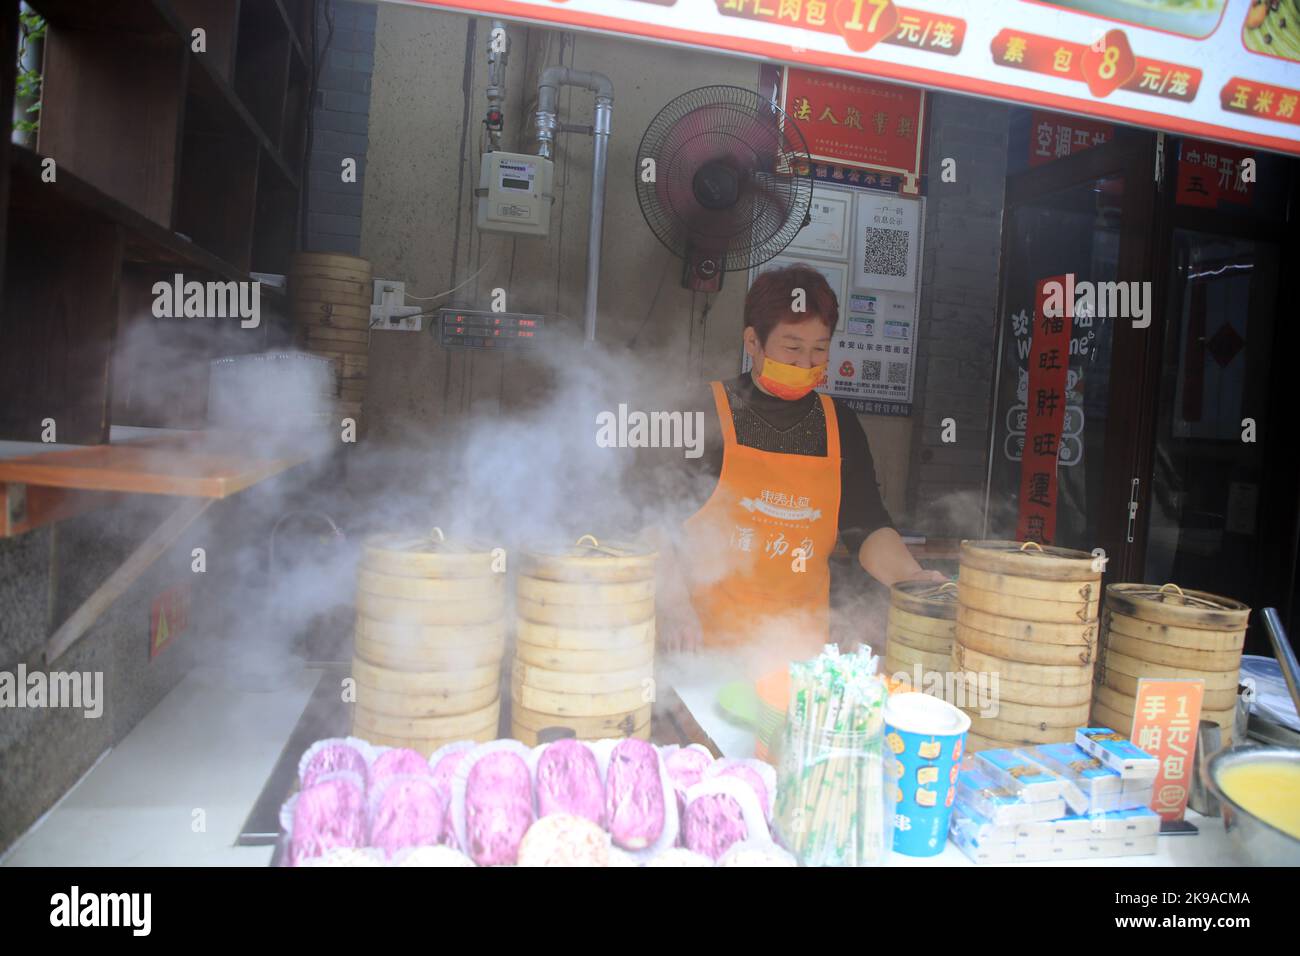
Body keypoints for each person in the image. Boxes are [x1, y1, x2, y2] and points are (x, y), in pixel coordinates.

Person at [646, 264, 944, 656]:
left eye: (819, 349)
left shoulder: (840, 425)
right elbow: (653, 521)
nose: (807, 365)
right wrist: (673, 607)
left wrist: (913, 580)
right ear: (753, 342)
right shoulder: (703, 413)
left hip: (797, 651)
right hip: (704, 648)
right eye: (792, 348)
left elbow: (867, 527)